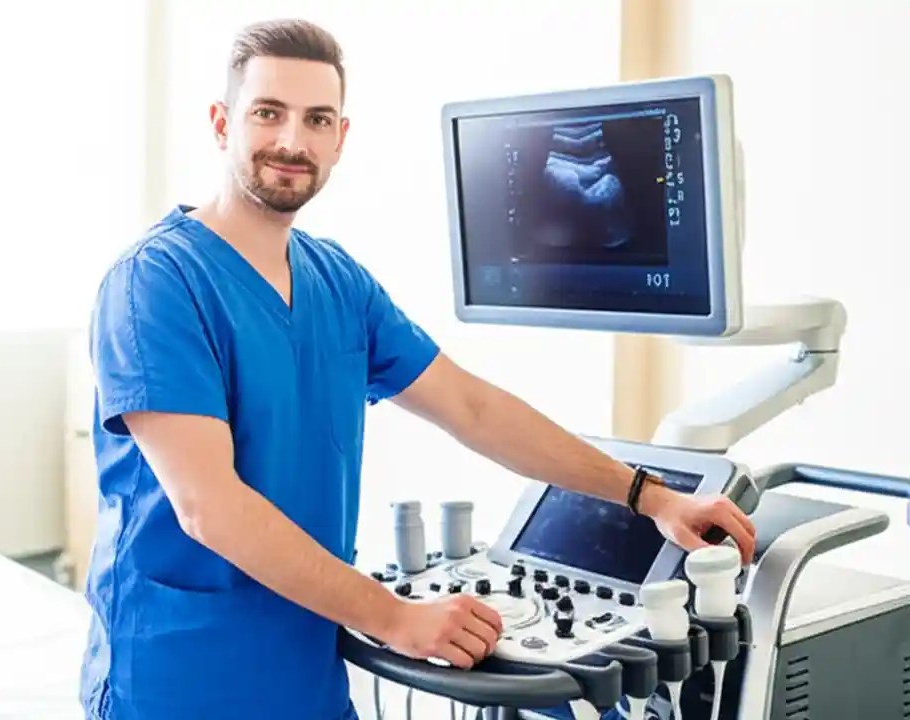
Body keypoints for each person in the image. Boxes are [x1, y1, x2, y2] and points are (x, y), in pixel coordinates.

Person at [78, 17, 757, 720]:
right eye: (267, 113)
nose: (291, 141)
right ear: (223, 123)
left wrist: (650, 496)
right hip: (177, 683)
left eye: (316, 119)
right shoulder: (155, 283)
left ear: (340, 137)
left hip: (305, 679)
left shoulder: (337, 282)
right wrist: (395, 617)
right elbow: (208, 508)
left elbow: (472, 408)